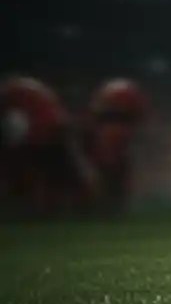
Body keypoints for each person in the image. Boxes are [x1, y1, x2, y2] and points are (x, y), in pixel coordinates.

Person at [1, 76, 96, 217]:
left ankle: (79, 205)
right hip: (50, 131)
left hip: (47, 133)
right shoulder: (20, 93)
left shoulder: (15, 93)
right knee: (68, 174)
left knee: (63, 174)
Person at [83, 78, 149, 216]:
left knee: (110, 176)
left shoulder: (106, 107)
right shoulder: (123, 103)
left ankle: (106, 208)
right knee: (112, 176)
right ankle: (110, 209)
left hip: (109, 153)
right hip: (110, 153)